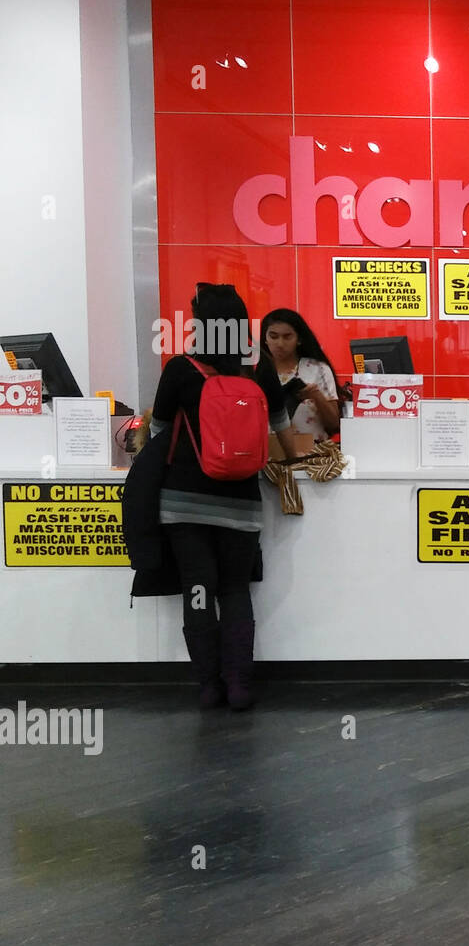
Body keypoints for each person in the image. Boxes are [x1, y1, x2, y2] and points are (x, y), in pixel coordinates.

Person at [149, 283, 304, 710]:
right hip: (240, 504)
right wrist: (291, 457)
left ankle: (208, 686)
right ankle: (239, 686)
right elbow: (283, 433)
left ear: (202, 324)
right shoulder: (259, 369)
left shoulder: (179, 369)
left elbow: (160, 433)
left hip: (184, 502)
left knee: (197, 590)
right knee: (234, 590)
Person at [258, 308, 342, 442]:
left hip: (312, 455)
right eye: (273, 336)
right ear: (265, 339)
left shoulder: (318, 369)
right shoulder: (255, 371)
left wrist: (316, 396)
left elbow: (334, 424)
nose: (280, 344)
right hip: (269, 456)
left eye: (287, 337)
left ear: (299, 339)